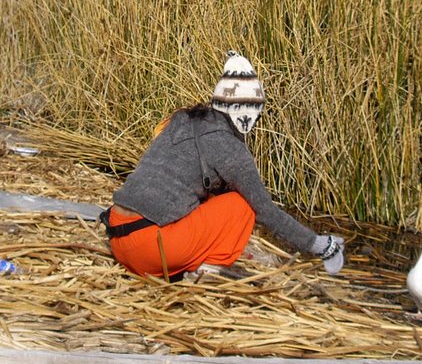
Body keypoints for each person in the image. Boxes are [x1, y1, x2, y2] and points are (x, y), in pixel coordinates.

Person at [104, 52, 346, 279]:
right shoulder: (229, 147)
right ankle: (208, 267)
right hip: (152, 253)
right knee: (243, 204)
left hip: (117, 238)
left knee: (210, 198)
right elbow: (266, 211)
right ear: (247, 113)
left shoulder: (180, 120)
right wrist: (320, 245)